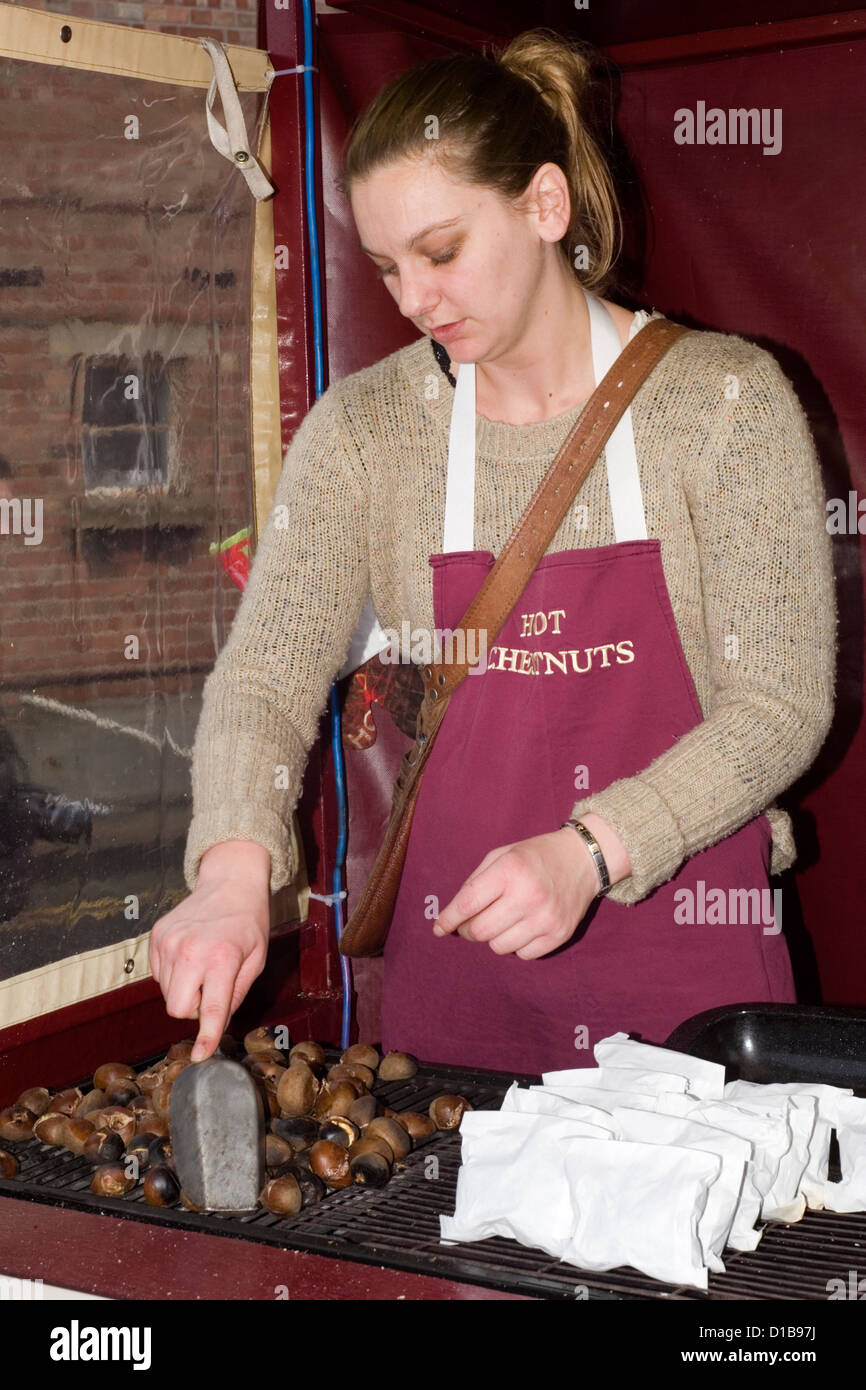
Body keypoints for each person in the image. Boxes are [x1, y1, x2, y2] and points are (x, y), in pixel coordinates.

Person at [149, 30, 836, 1073]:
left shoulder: (722, 405)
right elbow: (266, 676)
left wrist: (592, 849)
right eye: (384, 266)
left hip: (688, 992)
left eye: (440, 251)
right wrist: (235, 868)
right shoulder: (365, 432)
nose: (412, 300)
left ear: (544, 207)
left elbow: (779, 705)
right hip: (460, 991)